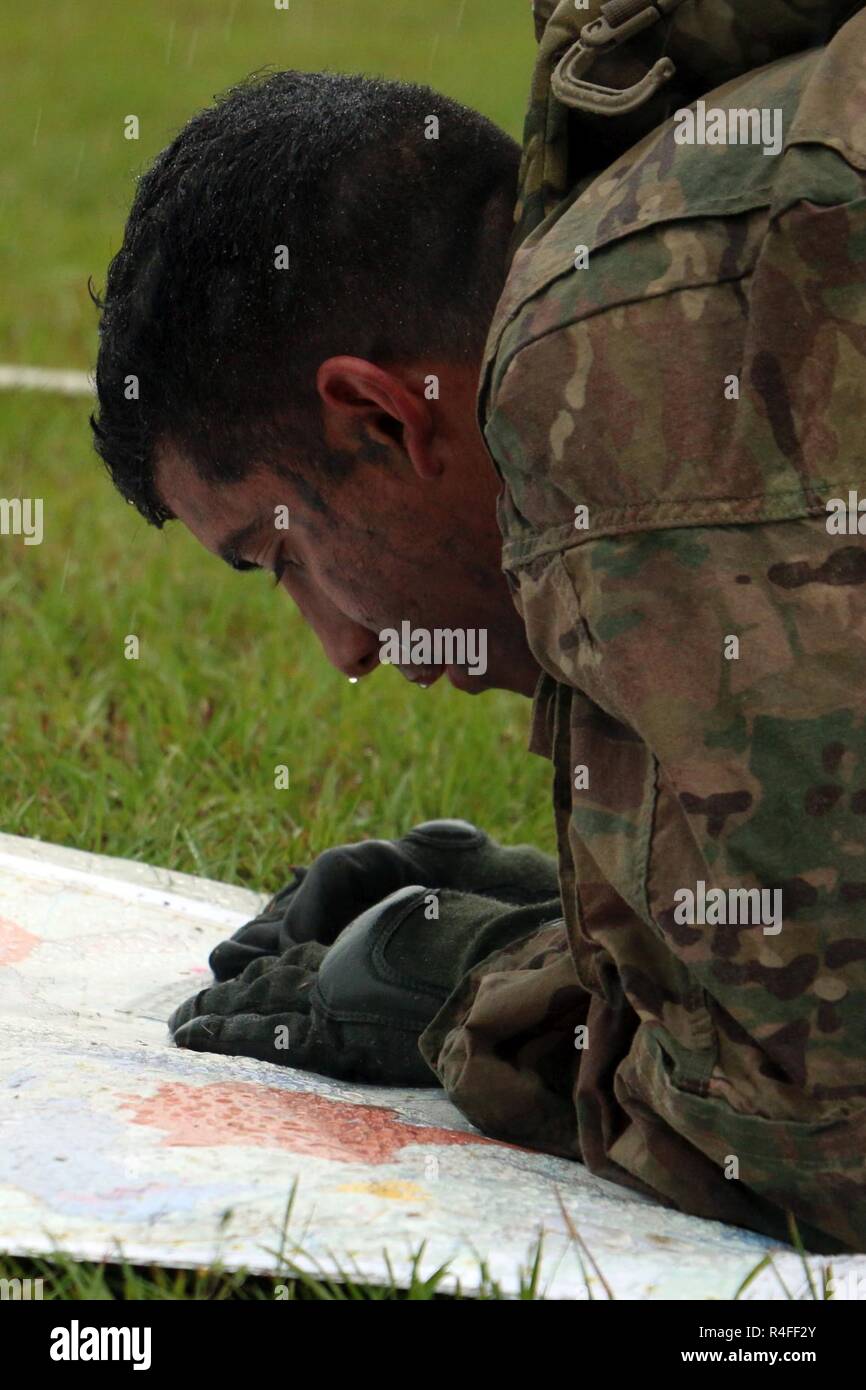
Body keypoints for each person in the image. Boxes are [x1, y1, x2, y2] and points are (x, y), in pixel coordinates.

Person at [91, 0, 866, 1253]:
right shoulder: (694, 223)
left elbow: (820, 1134)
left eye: (280, 556)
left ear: (384, 419)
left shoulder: (611, 349)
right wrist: (592, 937)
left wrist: (478, 992)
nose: (342, 649)